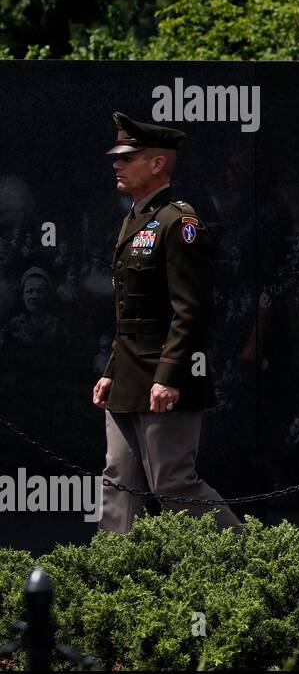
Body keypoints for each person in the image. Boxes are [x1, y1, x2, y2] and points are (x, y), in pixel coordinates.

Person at [92, 111, 242, 534]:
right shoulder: (133, 219)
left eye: (127, 157)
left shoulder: (180, 223)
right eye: (117, 158)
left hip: (165, 377)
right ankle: (113, 583)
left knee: (173, 483)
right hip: (128, 376)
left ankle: (248, 561)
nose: (117, 164)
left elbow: (190, 309)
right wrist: (110, 371)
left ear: (157, 163)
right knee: (119, 481)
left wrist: (170, 376)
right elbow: (131, 313)